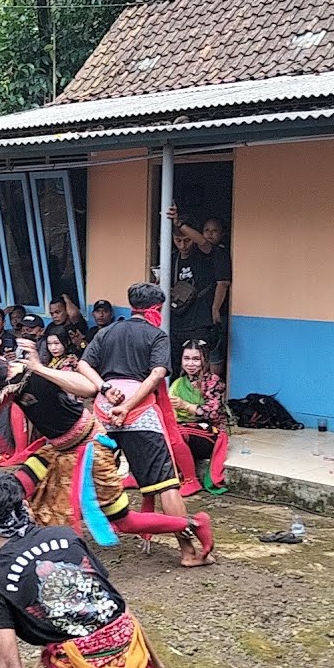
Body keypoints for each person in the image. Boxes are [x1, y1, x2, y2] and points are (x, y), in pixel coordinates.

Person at [0, 346, 214, 566]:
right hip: (56, 450)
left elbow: (89, 388)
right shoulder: (10, 376)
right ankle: (26, 546)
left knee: (123, 521)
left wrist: (40, 368)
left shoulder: (32, 375)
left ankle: (192, 524)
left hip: (90, 449)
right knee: (16, 488)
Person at [0, 471, 175, 668]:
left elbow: (12, 666)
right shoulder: (65, 536)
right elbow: (119, 609)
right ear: (26, 507)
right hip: (135, 666)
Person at [77, 282, 208, 559]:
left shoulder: (107, 331)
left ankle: (72, 541)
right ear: (156, 309)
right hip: (139, 413)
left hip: (103, 411)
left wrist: (104, 389)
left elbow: (83, 364)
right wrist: (128, 405)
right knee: (167, 485)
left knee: (85, 477)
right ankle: (188, 552)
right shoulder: (157, 335)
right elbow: (157, 374)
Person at [166, 207, 231, 378]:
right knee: (176, 367)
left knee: (203, 366)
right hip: (177, 321)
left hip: (201, 323)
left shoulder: (208, 254)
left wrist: (179, 224)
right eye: (178, 240)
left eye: (187, 240)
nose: (183, 245)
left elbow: (203, 243)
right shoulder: (172, 258)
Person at [169, 339, 229, 494]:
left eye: (196, 359)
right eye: (186, 358)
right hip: (184, 428)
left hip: (211, 432)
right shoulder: (178, 383)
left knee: (177, 434)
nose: (190, 364)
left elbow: (212, 413)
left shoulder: (213, 382)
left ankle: (191, 480)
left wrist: (185, 406)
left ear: (205, 360)